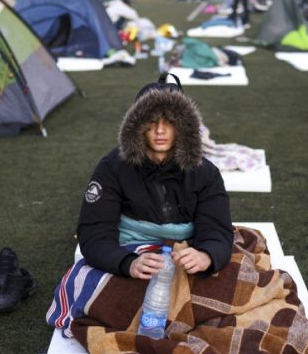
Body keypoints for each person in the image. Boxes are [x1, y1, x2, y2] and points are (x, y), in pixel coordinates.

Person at [77, 75, 233, 279]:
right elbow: (94, 232)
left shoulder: (206, 172)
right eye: (151, 121)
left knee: (233, 283)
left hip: (187, 254)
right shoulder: (112, 167)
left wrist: (206, 255)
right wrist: (127, 263)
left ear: (184, 126)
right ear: (136, 126)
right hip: (129, 250)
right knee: (92, 288)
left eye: (170, 121)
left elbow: (217, 229)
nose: (160, 130)